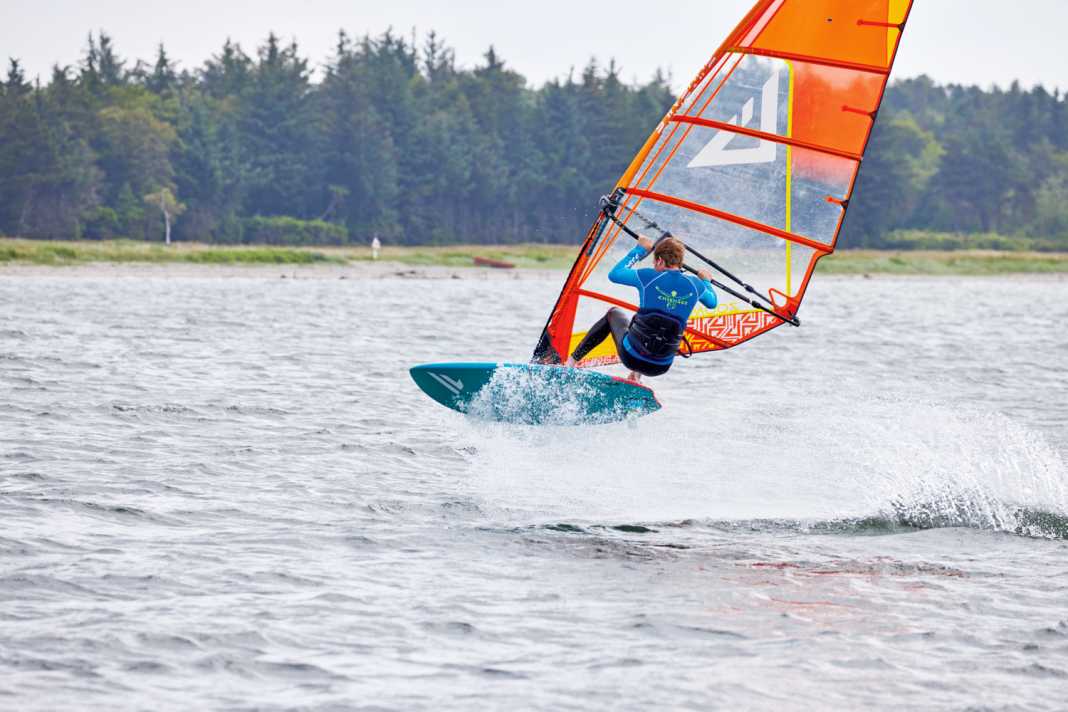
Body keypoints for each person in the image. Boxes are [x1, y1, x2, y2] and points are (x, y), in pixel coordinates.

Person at [566, 236, 717, 381]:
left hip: (630, 358)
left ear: (659, 261)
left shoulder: (648, 276)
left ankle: (570, 363)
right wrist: (706, 281)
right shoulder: (696, 285)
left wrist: (640, 250)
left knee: (614, 313)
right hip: (661, 367)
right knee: (653, 323)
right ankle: (636, 376)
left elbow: (615, 274)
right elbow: (712, 303)